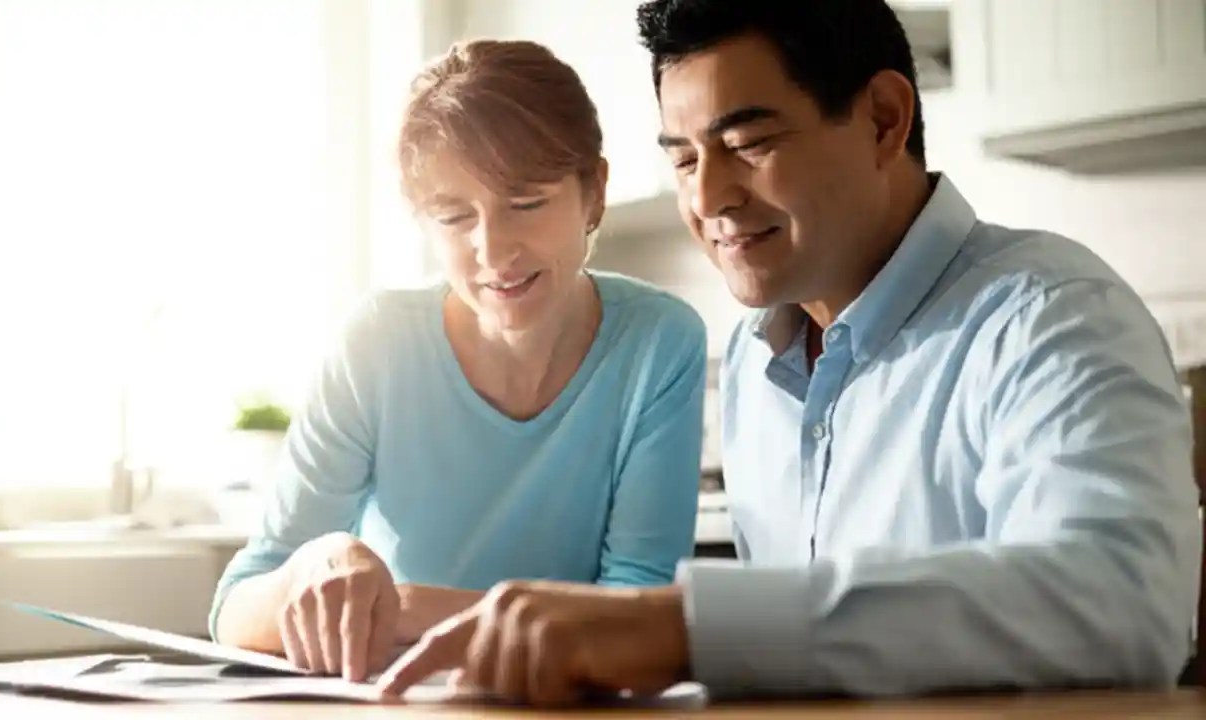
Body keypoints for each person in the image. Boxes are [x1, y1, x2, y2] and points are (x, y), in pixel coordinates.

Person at [378, 0, 1201, 705]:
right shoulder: (753, 362)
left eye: (749, 143)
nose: (707, 198)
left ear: (884, 119)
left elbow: (1121, 601)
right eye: (685, 158)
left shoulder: (1046, 314)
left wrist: (687, 624)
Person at [210, 38, 707, 682]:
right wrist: (311, 568)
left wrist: (405, 606)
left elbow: (637, 618)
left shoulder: (659, 344)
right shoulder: (377, 342)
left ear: (594, 193)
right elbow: (234, 608)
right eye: (453, 217)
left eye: (526, 203)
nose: (493, 250)